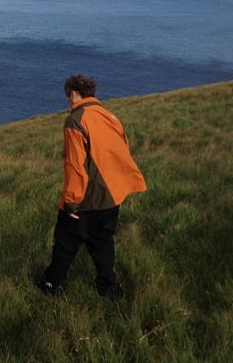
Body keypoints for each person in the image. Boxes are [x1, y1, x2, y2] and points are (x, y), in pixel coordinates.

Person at [37, 74, 147, 297]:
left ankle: (51, 285)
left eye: (68, 96)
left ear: (74, 94)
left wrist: (71, 204)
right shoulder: (110, 117)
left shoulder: (76, 120)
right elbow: (123, 149)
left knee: (65, 244)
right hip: (113, 195)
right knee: (103, 243)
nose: (68, 100)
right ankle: (107, 287)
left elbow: (75, 167)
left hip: (87, 198)